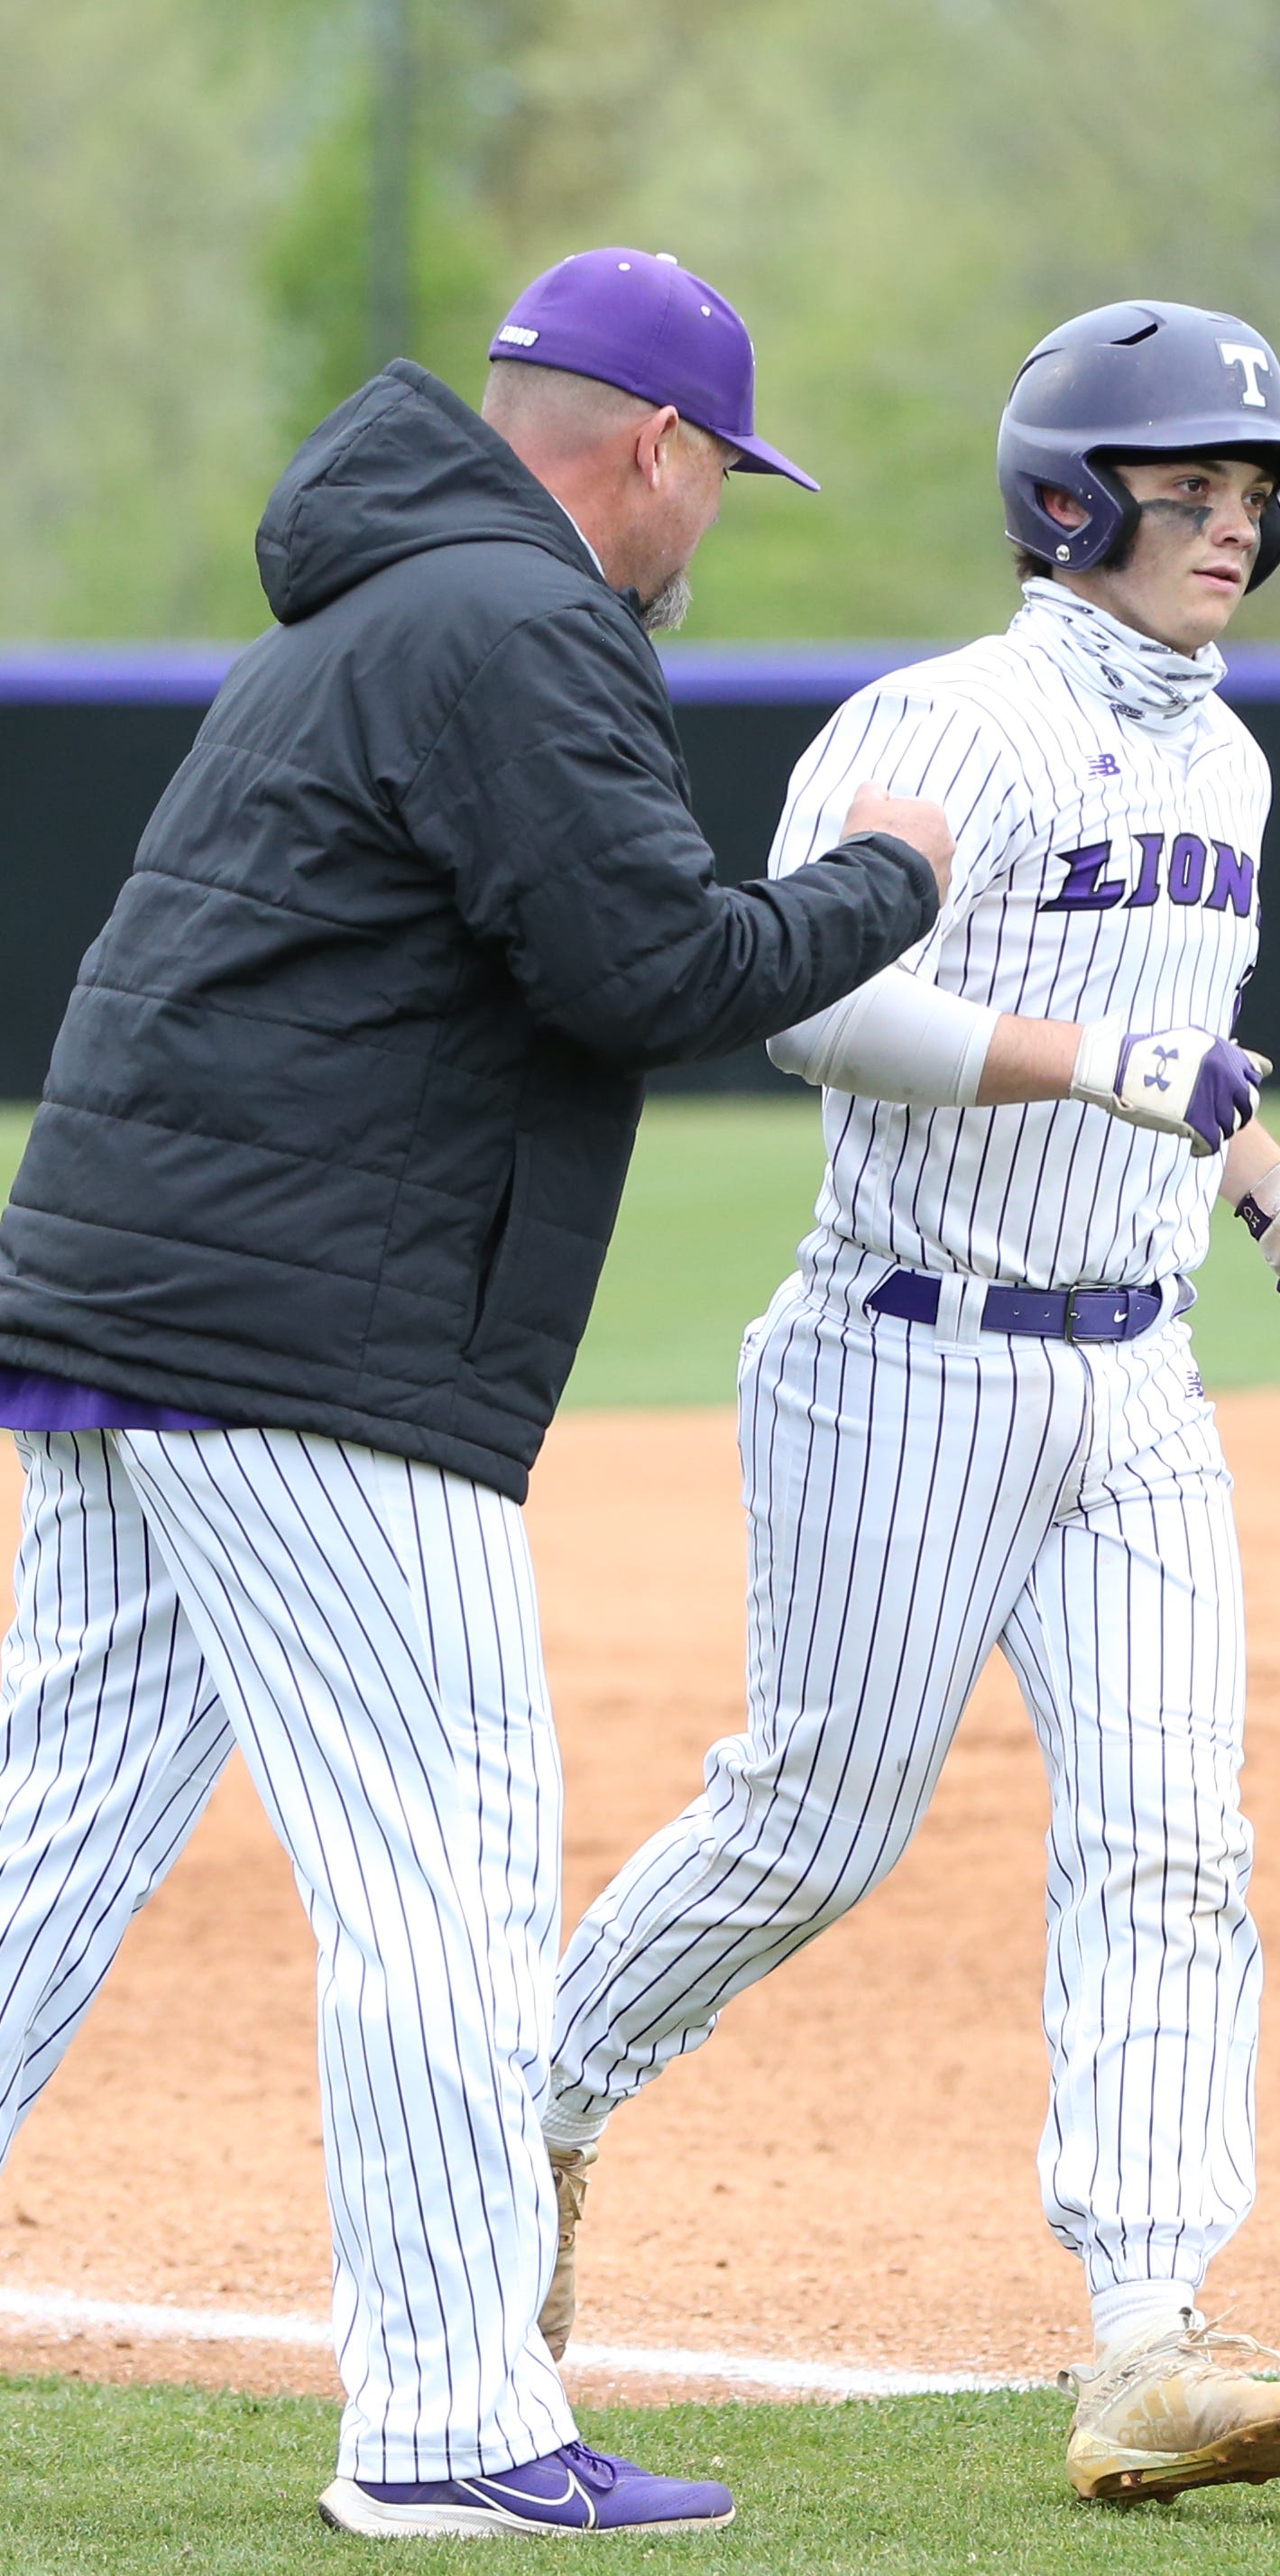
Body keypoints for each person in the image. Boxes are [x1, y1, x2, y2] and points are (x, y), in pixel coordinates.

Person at [0, 248, 953, 2541]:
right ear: (659, 451)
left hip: (138, 1301)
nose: (712, 527)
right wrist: (888, 882)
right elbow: (647, 967)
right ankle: (446, 2422)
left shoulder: (367, 605)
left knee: (45, 1837)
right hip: (315, 1334)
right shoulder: (520, 627)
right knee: (438, 1872)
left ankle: (446, 2408)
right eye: (721, 480)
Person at [539, 299, 1280, 2507]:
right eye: (1188, 490)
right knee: (810, 1826)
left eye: (1247, 501)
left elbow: (1175, 1038)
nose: (1225, 528)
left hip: (1136, 1381)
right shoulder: (953, 721)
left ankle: (1146, 2335)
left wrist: (1272, 1190)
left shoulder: (1231, 760)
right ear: (1065, 499)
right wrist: (1114, 1074)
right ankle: (520, 2113)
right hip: (901, 1359)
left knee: (1171, 1841)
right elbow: (815, 1007)